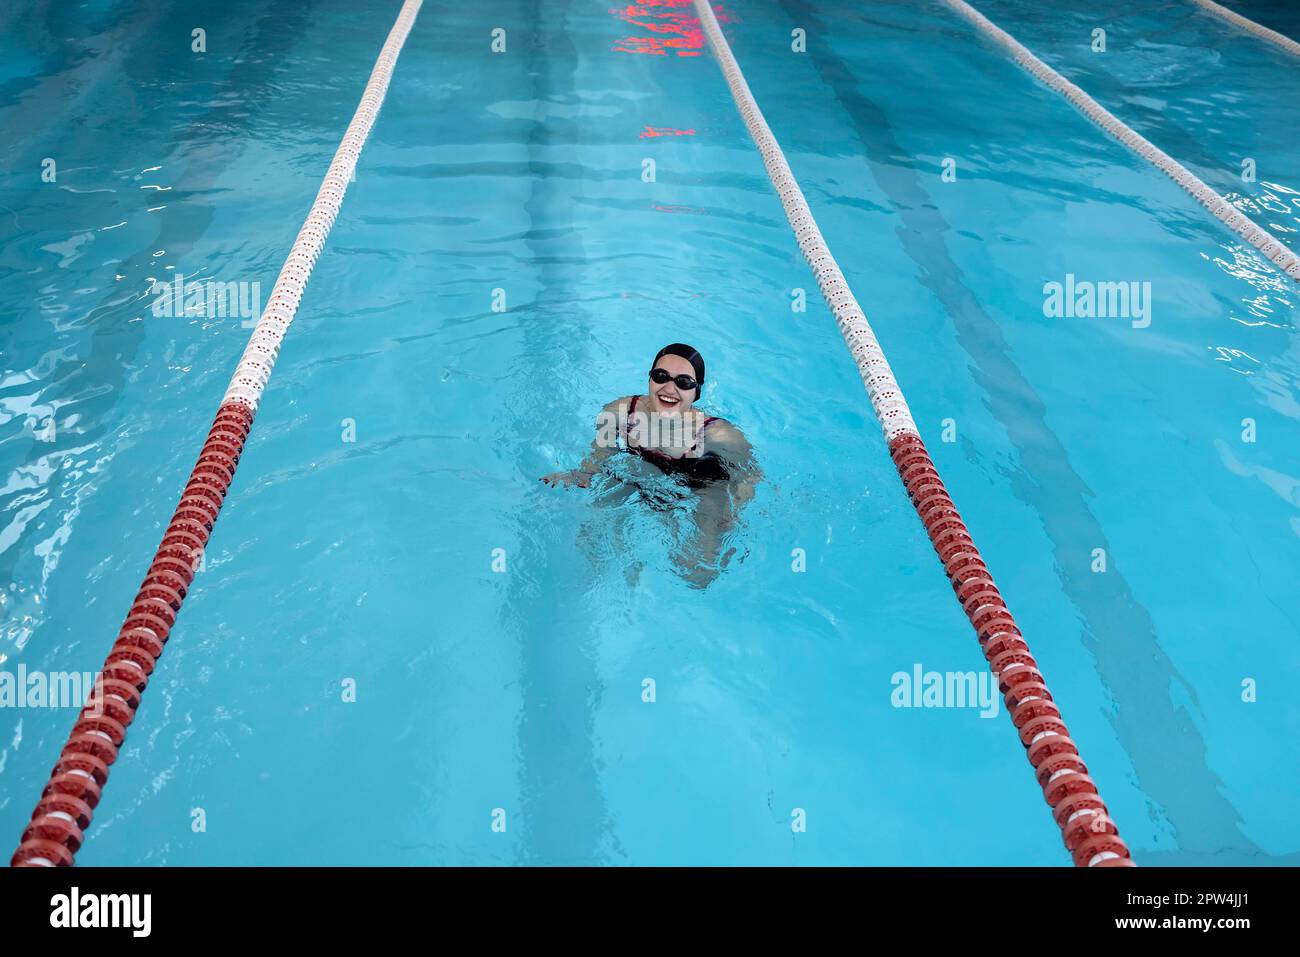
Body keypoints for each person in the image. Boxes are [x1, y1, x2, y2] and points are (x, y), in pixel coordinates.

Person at [541, 343, 760, 587]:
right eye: (661, 376)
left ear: (696, 392)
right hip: (640, 472)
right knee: (593, 532)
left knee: (697, 573)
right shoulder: (620, 411)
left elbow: (751, 475)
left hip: (699, 483)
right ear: (650, 378)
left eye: (684, 382)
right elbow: (601, 451)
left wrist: (734, 510)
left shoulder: (717, 433)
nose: (669, 388)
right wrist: (583, 473)